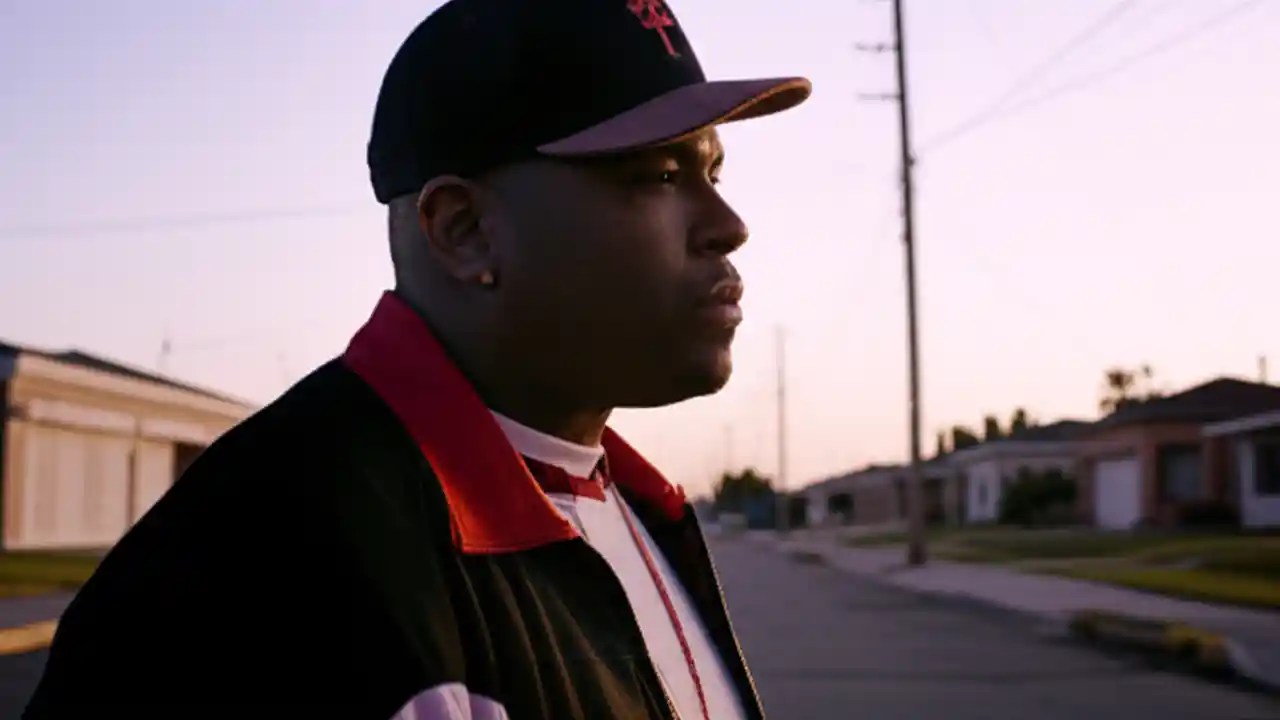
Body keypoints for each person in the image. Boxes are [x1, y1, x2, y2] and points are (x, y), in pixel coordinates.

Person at [24, 0, 810, 717]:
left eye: (712, 171)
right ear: (464, 231)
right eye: (660, 175)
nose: (729, 224)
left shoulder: (632, 507)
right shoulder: (272, 565)